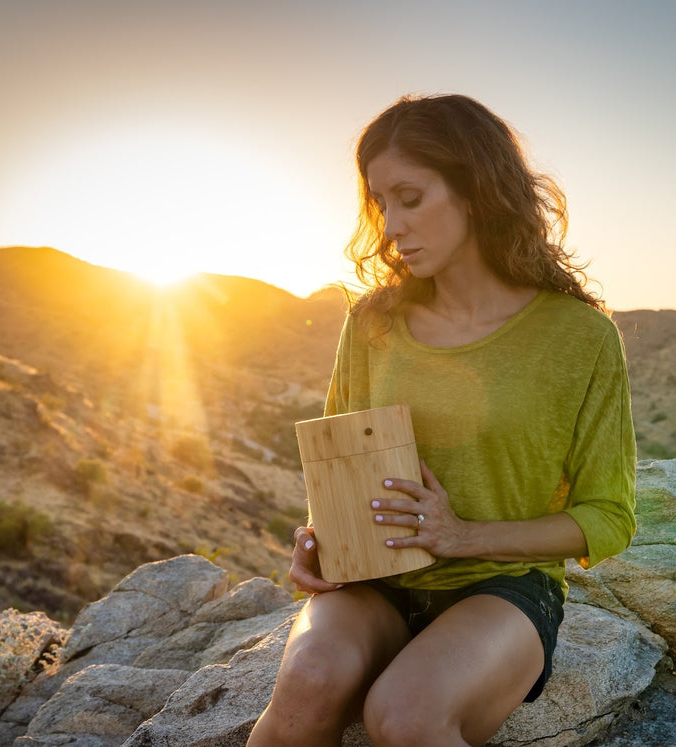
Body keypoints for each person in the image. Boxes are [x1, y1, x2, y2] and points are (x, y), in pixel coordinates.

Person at [247, 93, 636, 747]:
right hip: (377, 580)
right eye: (381, 202)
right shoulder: (374, 321)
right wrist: (319, 542)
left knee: (406, 713)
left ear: (476, 191)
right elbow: (341, 462)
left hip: (503, 589)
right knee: (309, 679)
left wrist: (463, 535)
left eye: (411, 197)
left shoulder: (582, 338)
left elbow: (610, 518)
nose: (391, 224)